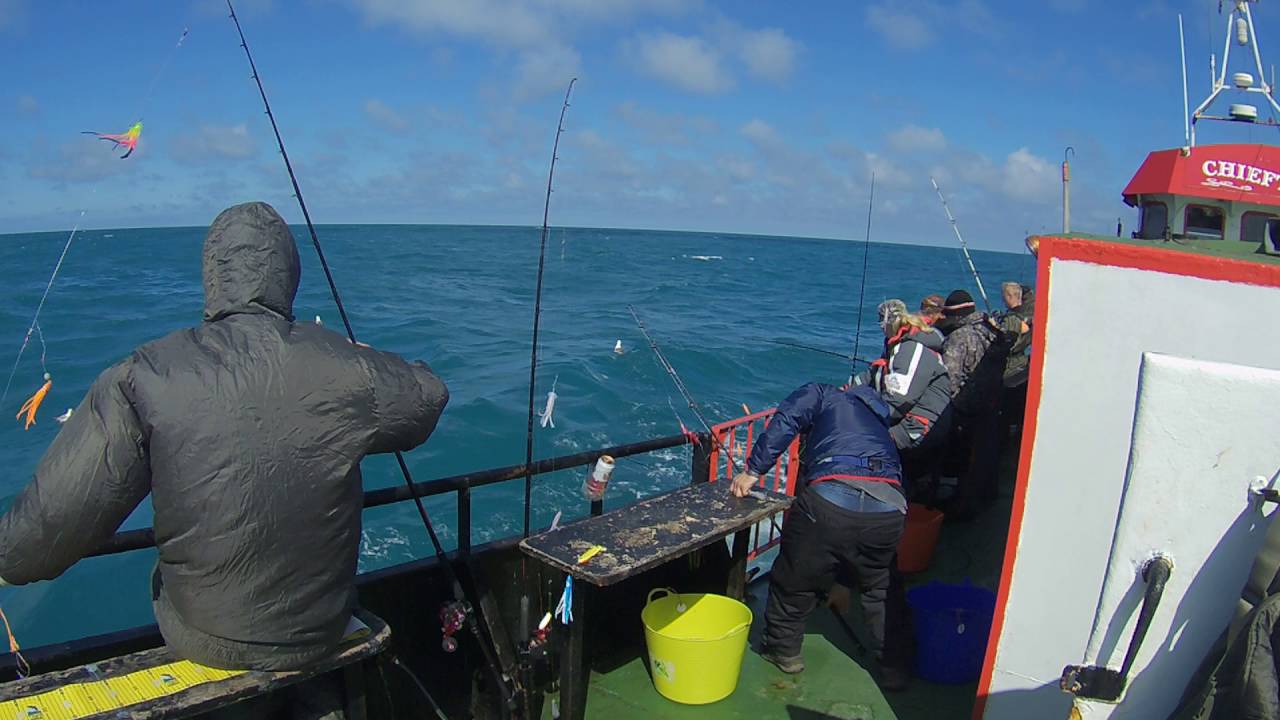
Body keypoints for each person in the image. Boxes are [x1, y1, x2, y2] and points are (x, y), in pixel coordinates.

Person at [0, 202, 449, 684]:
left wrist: (9, 558)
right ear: (288, 274)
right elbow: (427, 398)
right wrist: (365, 358)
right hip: (319, 629)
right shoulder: (348, 366)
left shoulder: (146, 372)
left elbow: (56, 518)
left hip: (201, 634)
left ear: (213, 273)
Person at [730, 382, 910, 688]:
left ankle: (783, 652)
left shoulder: (822, 393)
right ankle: (894, 668)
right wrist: (845, 582)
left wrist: (753, 471)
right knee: (881, 588)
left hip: (830, 501)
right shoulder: (878, 417)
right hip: (890, 511)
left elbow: (787, 419)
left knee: (796, 578)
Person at [935, 289, 1008, 518]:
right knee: (982, 459)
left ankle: (956, 505)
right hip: (991, 405)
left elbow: (948, 378)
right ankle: (981, 498)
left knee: (957, 460)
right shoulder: (993, 330)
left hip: (964, 409)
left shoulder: (959, 337)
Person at [854, 299, 951, 464]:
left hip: (920, 425)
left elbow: (900, 398)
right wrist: (843, 394)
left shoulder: (912, 348)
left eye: (881, 321)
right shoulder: (897, 346)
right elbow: (871, 376)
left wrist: (867, 418)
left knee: (863, 445)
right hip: (909, 420)